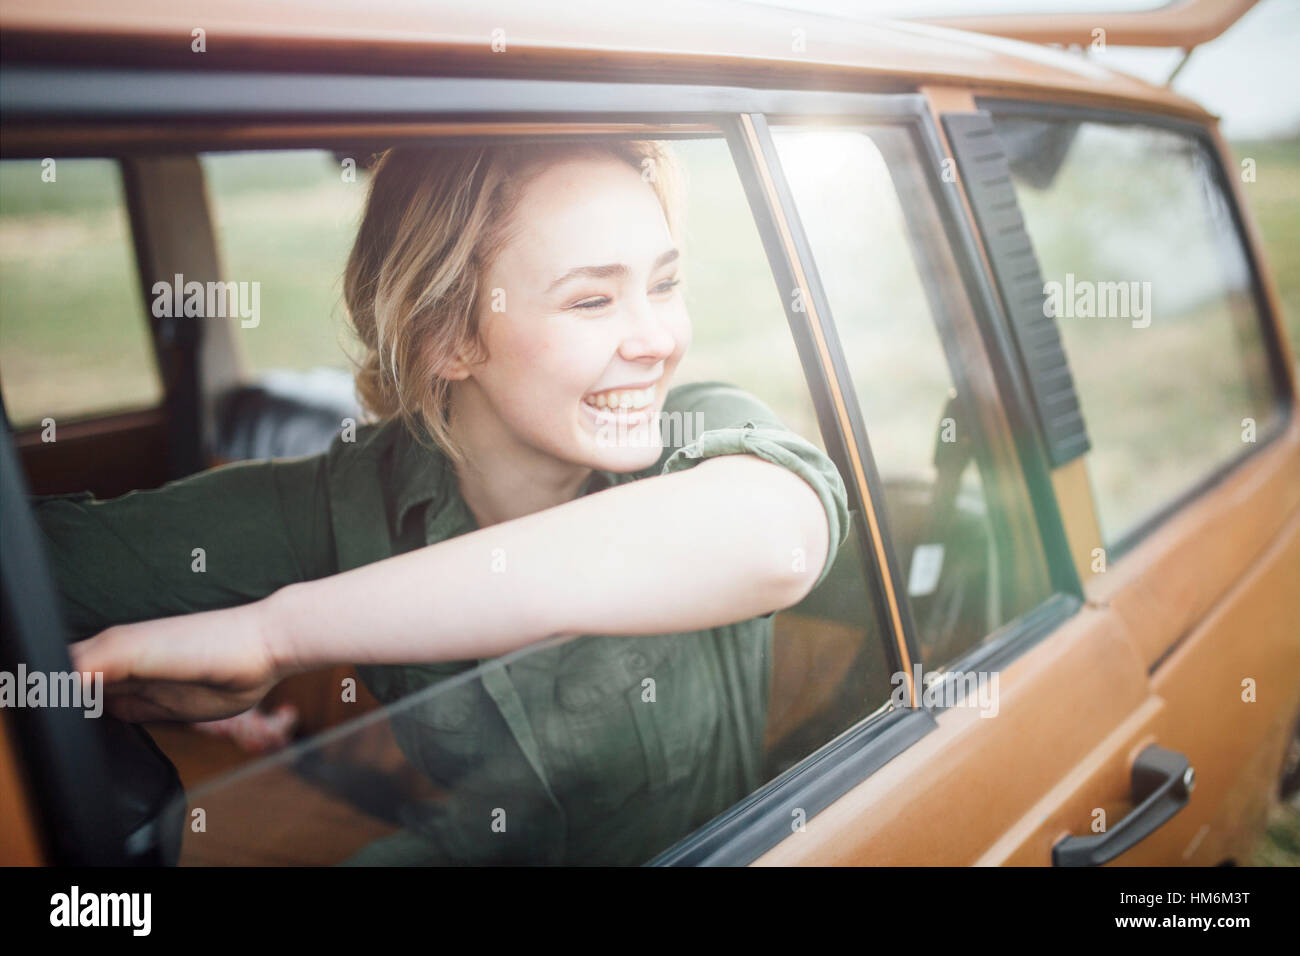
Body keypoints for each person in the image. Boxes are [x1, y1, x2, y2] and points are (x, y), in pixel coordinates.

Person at [34, 139, 850, 864]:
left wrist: (276, 633)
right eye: (592, 300)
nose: (658, 339)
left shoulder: (703, 435)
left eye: (664, 284)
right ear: (448, 338)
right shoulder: (343, 499)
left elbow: (780, 542)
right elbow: (45, 563)